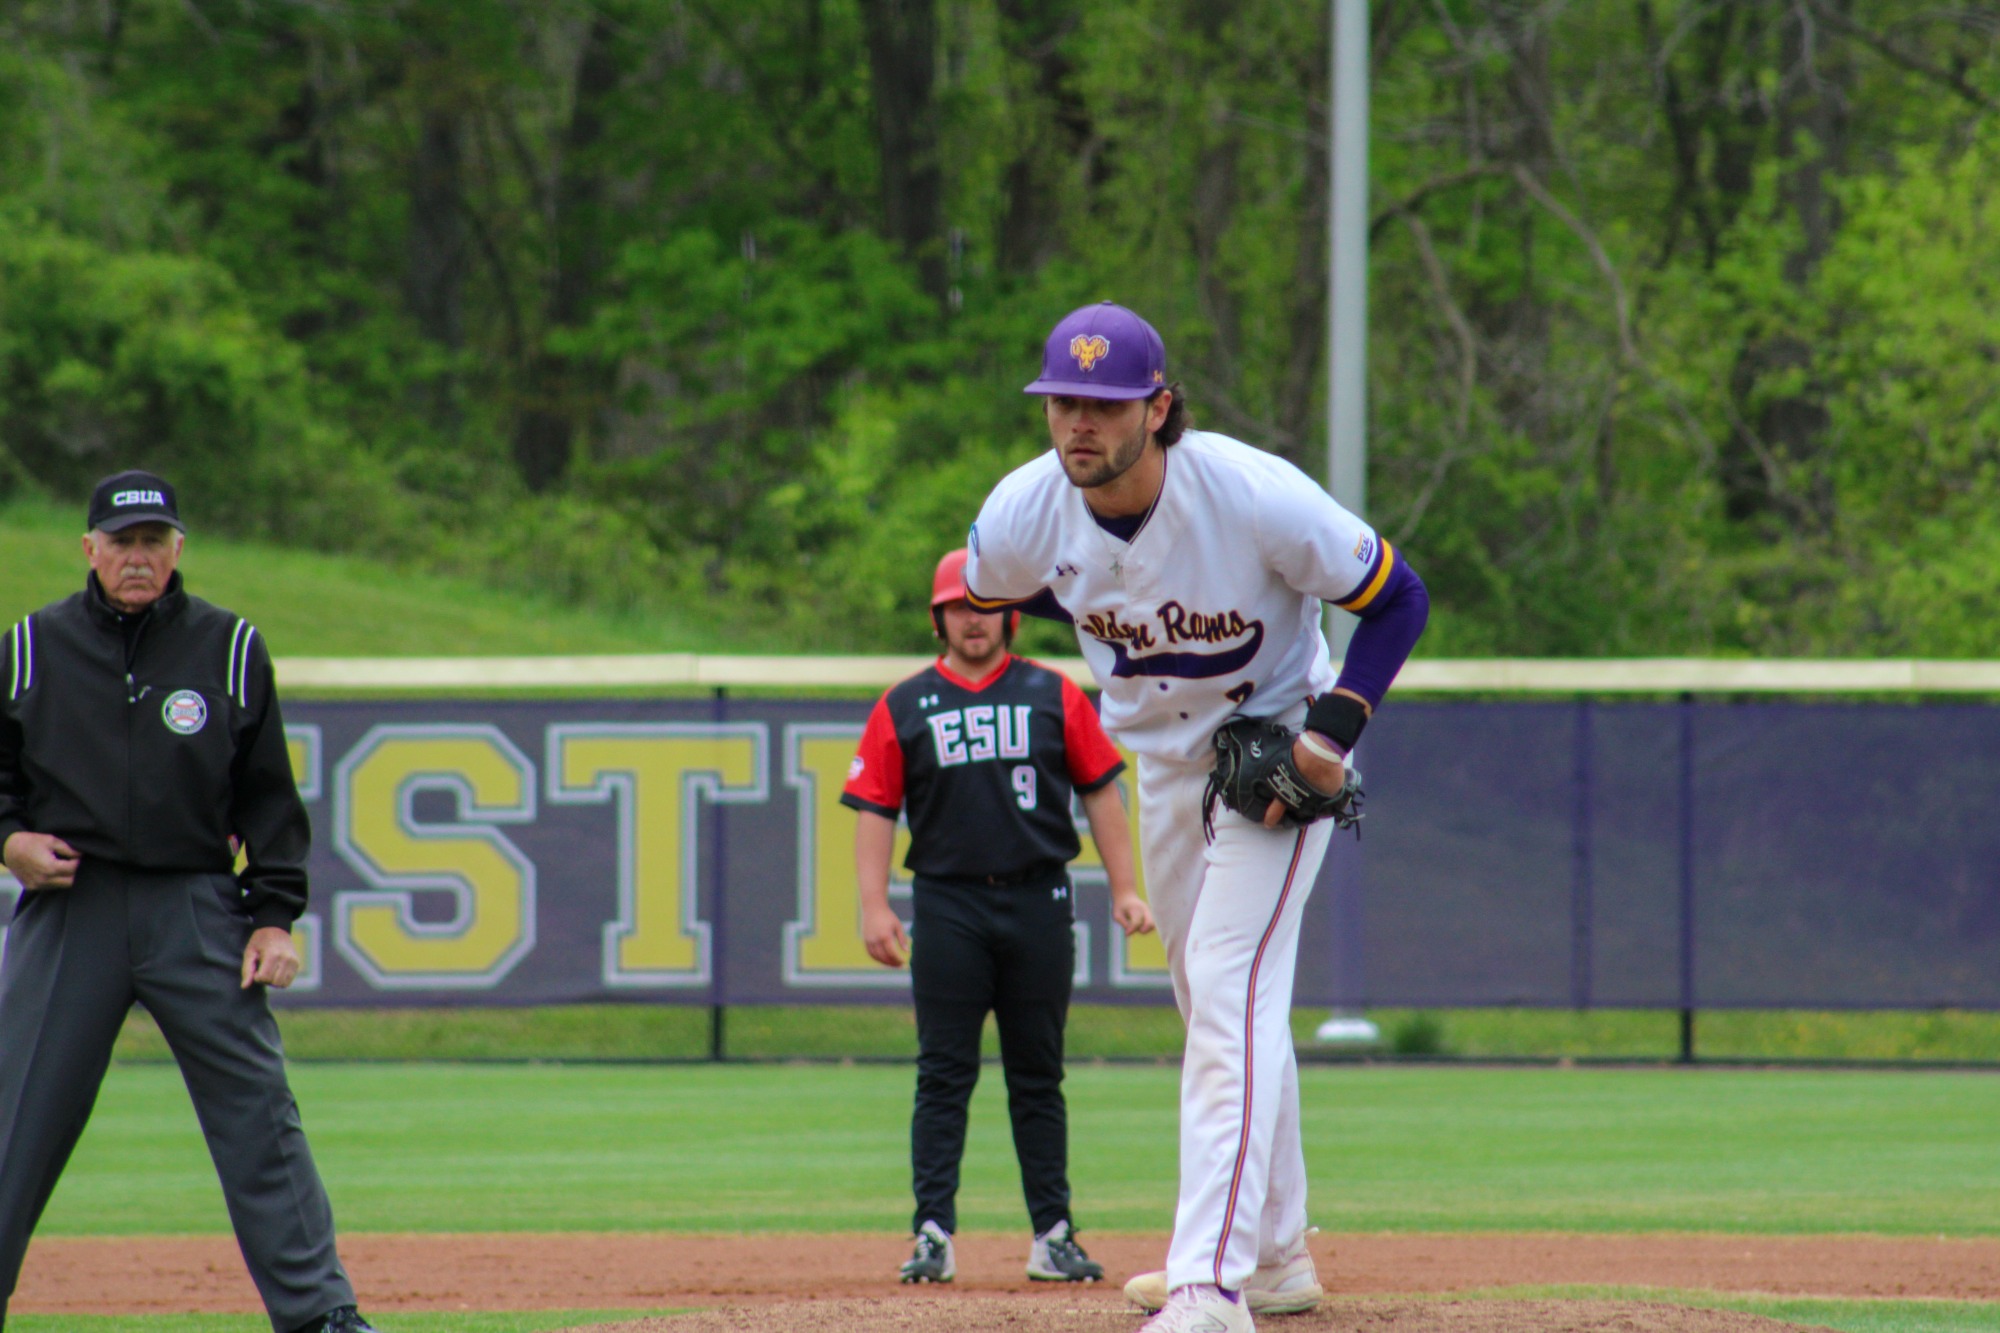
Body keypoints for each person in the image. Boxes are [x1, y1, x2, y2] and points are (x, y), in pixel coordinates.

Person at [964, 303, 1430, 1333]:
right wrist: (1098, 606)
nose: (1076, 422)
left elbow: (1398, 598)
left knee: (1227, 992)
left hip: (1274, 757)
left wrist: (1330, 732)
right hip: (1165, 764)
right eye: (1060, 402)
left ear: (1157, 407)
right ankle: (1274, 1257)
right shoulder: (1022, 515)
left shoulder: (1252, 494)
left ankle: (1208, 1289)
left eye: (1103, 402)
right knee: (1219, 1001)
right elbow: (988, 585)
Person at [0, 471, 378, 1333]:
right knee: (15, 1117)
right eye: (121, 542)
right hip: (73, 908)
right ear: (89, 549)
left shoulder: (230, 647)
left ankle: (320, 1312)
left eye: (153, 542)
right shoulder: (27, 647)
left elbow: (269, 801)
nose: (138, 558)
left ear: (178, 549)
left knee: (257, 1110)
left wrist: (275, 915)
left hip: (198, 905)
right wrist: (10, 839)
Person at [841, 547, 1154, 1287]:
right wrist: (873, 903)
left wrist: (1126, 887)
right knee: (943, 1073)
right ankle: (932, 1232)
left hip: (1039, 897)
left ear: (1008, 612)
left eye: (981, 604)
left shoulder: (1054, 693)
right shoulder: (905, 702)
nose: (970, 619)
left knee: (1037, 1074)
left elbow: (1103, 790)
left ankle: (1052, 1233)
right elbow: (876, 808)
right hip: (949, 903)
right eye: (956, 606)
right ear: (938, 618)